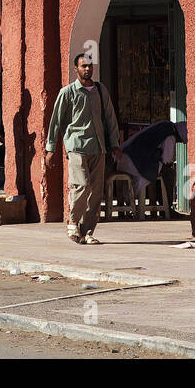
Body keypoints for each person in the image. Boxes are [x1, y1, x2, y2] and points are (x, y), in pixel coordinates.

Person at [46, 53, 121, 244]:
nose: (87, 69)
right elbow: (55, 122)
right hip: (76, 146)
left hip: (98, 146)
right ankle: (73, 221)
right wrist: (51, 149)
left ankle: (87, 232)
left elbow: (110, 118)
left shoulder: (100, 90)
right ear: (76, 69)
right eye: (83, 66)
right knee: (81, 185)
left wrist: (115, 144)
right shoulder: (67, 92)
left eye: (89, 66)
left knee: (96, 191)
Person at [117, 119, 187, 219]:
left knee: (161, 170)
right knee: (168, 173)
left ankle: (159, 206)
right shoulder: (170, 135)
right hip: (133, 161)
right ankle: (167, 208)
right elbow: (167, 159)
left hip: (123, 157)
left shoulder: (164, 124)